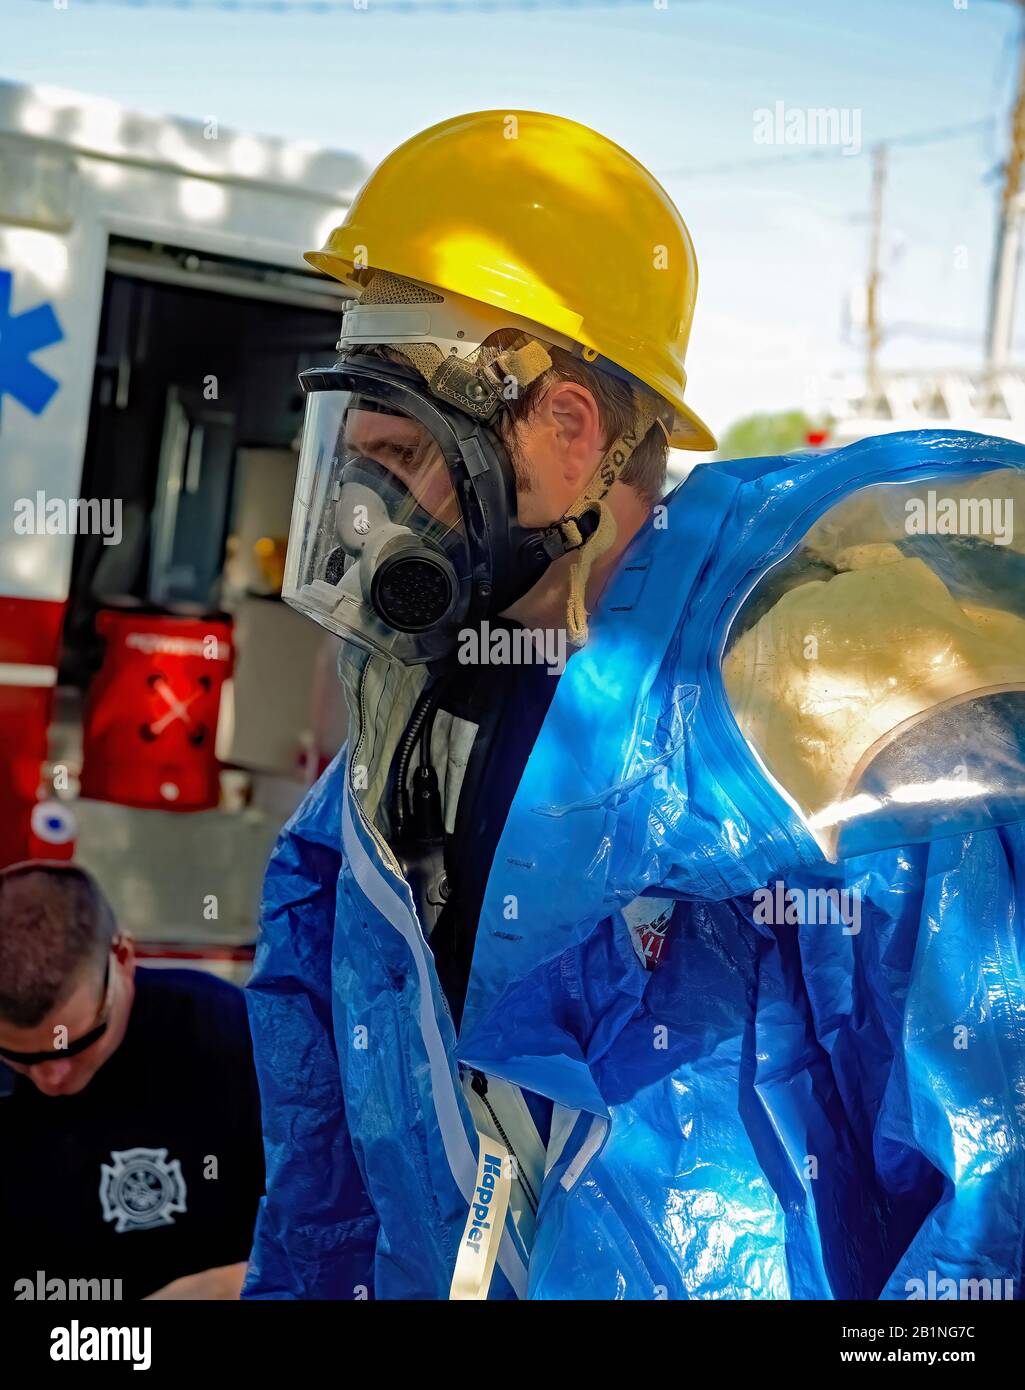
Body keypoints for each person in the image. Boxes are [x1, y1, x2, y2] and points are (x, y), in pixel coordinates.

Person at [244, 110, 1025, 1300]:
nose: (368, 513)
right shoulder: (405, 745)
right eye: (355, 463)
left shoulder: (823, 730)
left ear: (565, 434)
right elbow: (326, 1184)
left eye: (402, 459)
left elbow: (988, 1203)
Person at [0, 861, 264, 1301]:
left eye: (74, 1045)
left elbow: (329, 1228)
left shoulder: (234, 1041)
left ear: (122, 957)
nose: (51, 1077)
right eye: (21, 1057)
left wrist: (236, 1283)